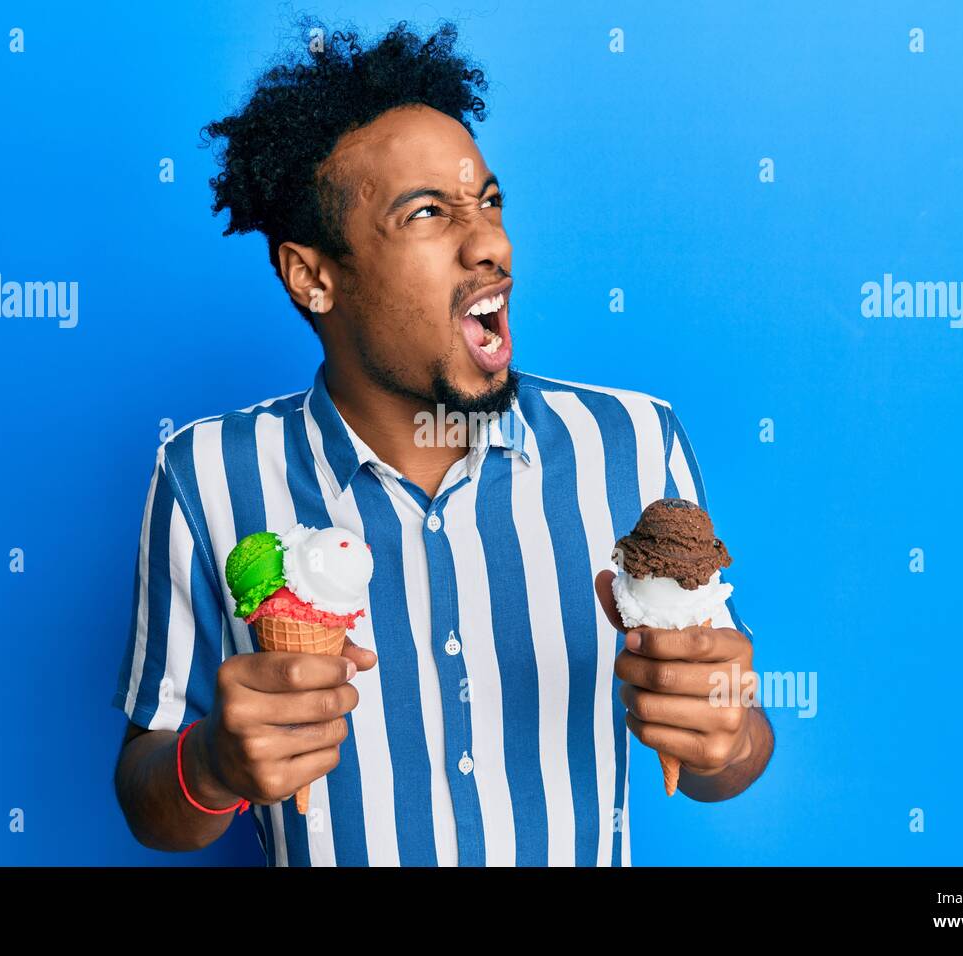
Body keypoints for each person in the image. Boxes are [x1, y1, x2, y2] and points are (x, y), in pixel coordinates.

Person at [112, 17, 772, 866]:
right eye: (427, 213)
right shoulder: (206, 474)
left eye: (488, 202)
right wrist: (210, 764)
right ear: (313, 276)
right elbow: (147, 799)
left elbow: (735, 747)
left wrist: (725, 730)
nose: (491, 243)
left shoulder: (635, 443)